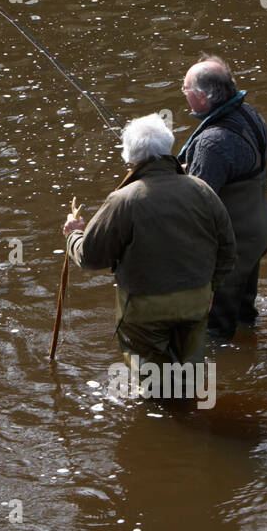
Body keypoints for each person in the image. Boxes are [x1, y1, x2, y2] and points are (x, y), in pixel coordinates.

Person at [63, 113, 236, 379]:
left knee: (154, 379)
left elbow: (90, 257)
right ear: (168, 148)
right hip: (197, 299)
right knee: (191, 371)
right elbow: (227, 247)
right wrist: (212, 286)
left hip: (145, 306)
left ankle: (167, 417)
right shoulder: (201, 189)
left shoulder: (123, 199)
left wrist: (73, 235)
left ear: (130, 158)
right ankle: (195, 411)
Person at [177, 55, 267, 341]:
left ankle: (229, 376)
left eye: (186, 89)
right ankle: (251, 345)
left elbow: (197, 202)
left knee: (216, 326)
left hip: (231, 245)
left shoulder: (212, 142)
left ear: (203, 97)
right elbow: (235, 167)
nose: (183, 94)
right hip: (258, 232)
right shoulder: (249, 115)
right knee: (244, 311)